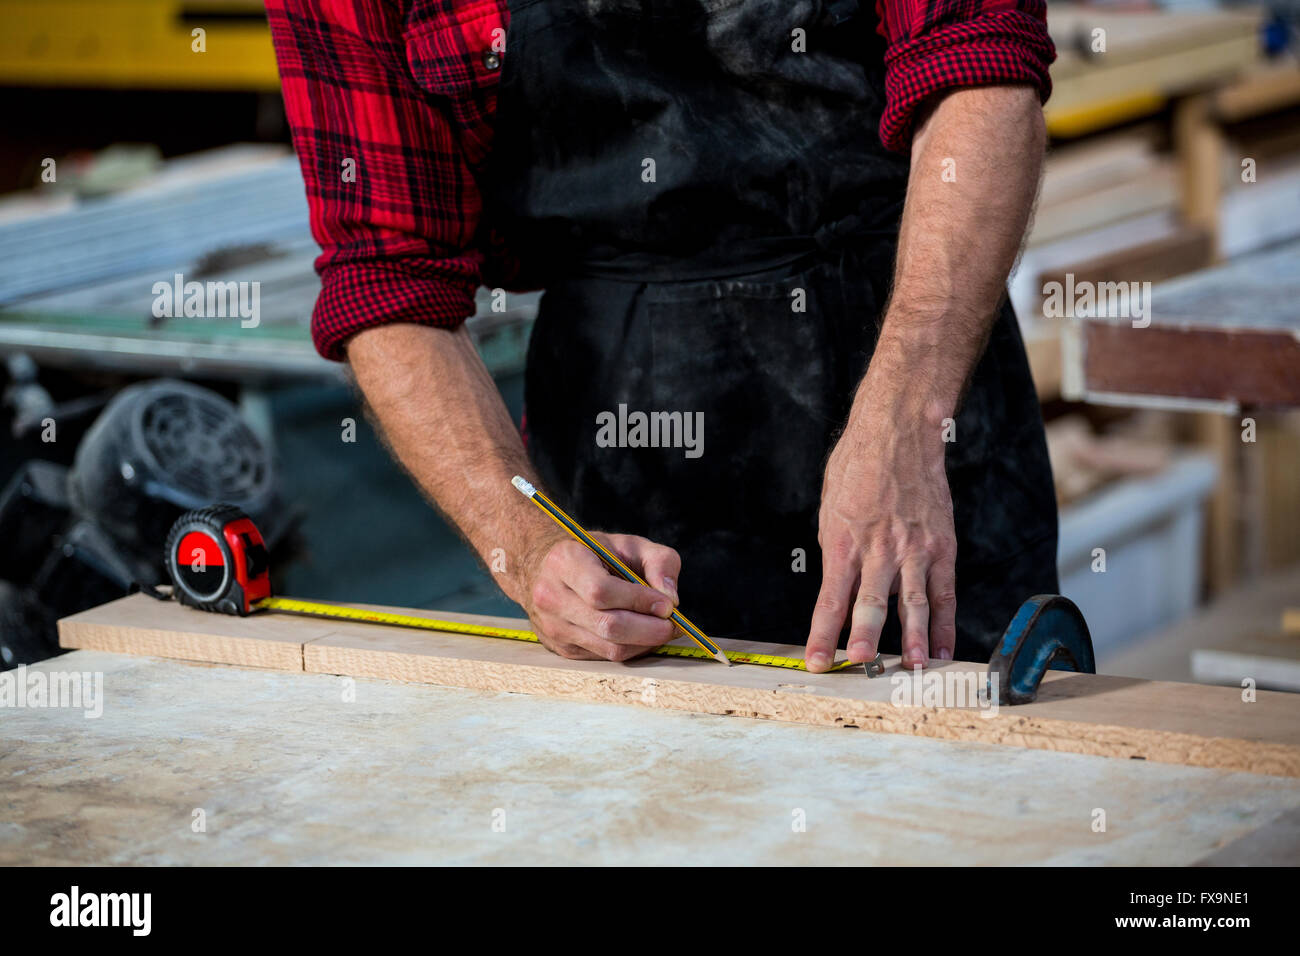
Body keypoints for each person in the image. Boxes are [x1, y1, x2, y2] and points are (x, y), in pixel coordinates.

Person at [266, 0, 1060, 671]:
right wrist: (525, 542)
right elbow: (387, 274)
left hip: (911, 351)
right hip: (622, 423)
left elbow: (980, 61)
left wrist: (906, 420)